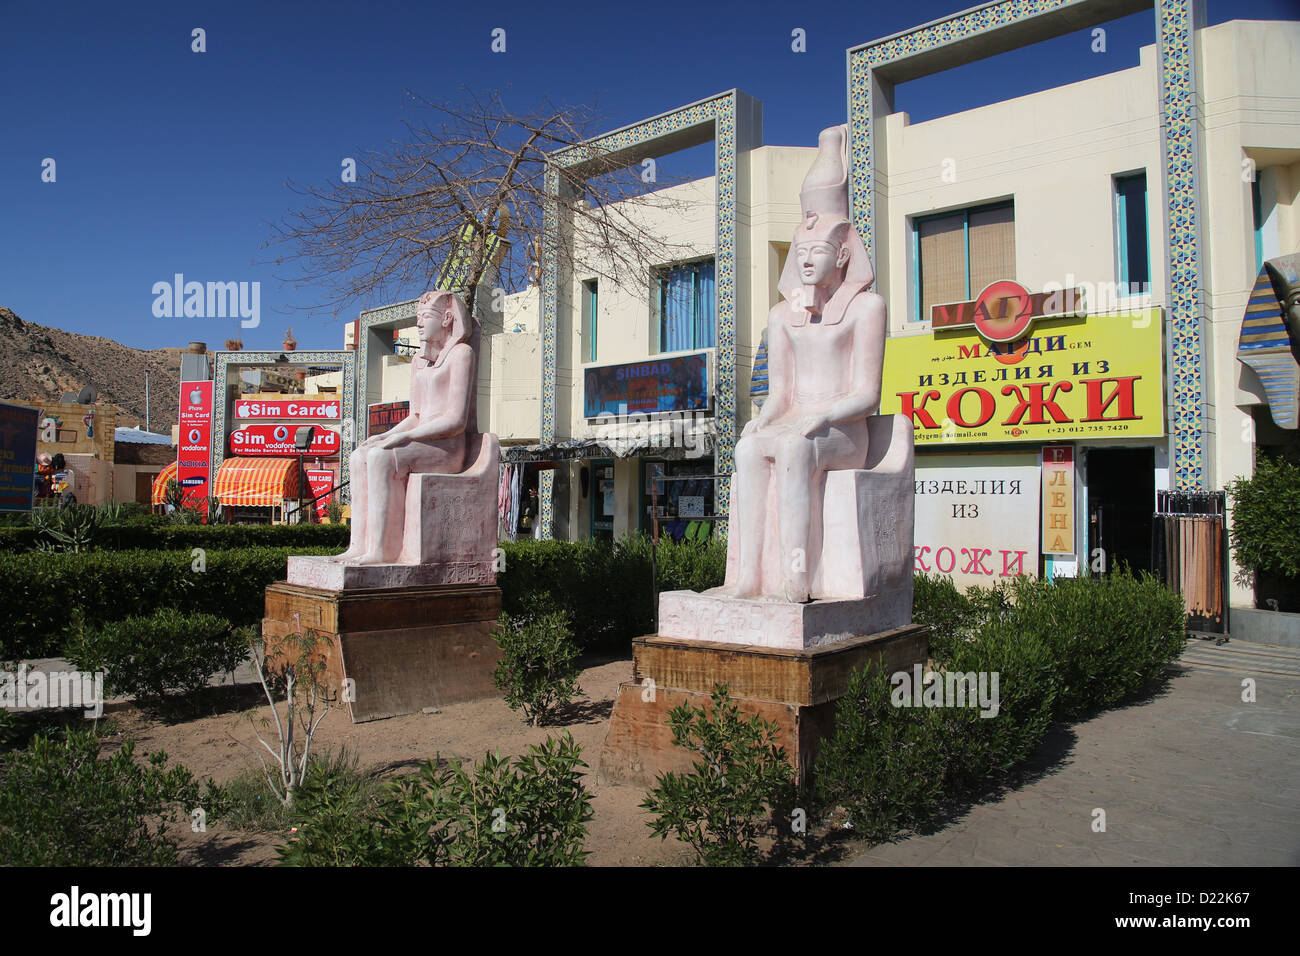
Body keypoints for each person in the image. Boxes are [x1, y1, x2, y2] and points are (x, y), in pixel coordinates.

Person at [719, 126, 886, 603]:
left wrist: (823, 415)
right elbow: (779, 394)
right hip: (797, 420)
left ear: (844, 255)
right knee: (750, 450)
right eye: (802, 252)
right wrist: (762, 421)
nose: (808, 261)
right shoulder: (781, 317)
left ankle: (797, 580)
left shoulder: (865, 308)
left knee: (793, 450)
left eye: (820, 252)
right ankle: (747, 578)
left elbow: (867, 395)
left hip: (845, 429)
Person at [332, 290, 478, 564]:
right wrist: (385, 435)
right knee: (359, 455)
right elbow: (416, 415)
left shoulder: (461, 354)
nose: (419, 324)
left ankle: (382, 550)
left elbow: (456, 421)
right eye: (418, 318)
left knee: (380, 458)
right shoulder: (419, 362)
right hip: (421, 440)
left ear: (447, 318)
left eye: (426, 317)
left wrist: (405, 438)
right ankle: (358, 546)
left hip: (448, 447)